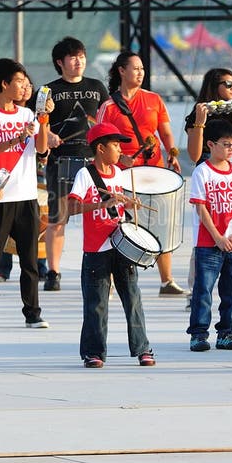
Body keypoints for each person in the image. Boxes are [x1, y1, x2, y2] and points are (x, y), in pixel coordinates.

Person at [67, 122, 155, 368]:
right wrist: (100, 205)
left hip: (122, 244)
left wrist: (129, 204)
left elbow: (118, 205)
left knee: (133, 298)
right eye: (115, 145)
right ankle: (93, 352)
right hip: (97, 248)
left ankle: (143, 348)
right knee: (96, 303)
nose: (120, 150)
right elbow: (71, 207)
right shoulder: (85, 175)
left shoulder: (118, 173)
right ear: (101, 148)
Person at [0, 58, 49, 331]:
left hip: (26, 196)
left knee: (30, 259)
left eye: (26, 82)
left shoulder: (27, 115)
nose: (24, 87)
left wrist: (43, 120)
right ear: (4, 84)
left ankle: (33, 313)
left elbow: (41, 149)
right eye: (19, 82)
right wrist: (16, 138)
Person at [97, 51, 184, 297]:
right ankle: (111, 280)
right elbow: (100, 142)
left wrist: (172, 153)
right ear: (121, 71)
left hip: (154, 169)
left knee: (160, 221)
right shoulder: (108, 107)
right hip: (124, 174)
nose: (140, 73)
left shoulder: (154, 99)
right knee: (119, 224)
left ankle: (167, 281)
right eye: (135, 68)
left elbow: (165, 132)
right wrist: (118, 159)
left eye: (142, 69)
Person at [184, 68, 232, 311]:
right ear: (213, 86)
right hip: (208, 182)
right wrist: (200, 122)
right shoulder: (198, 113)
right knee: (204, 238)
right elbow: (194, 154)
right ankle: (195, 292)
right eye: (227, 84)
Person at [38, 36, 109, 292]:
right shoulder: (47, 91)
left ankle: (105, 270)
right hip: (60, 161)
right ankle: (53, 272)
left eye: (82, 56)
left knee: (103, 214)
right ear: (60, 62)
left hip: (93, 161)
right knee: (57, 218)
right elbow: (35, 124)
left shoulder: (97, 87)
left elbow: (106, 121)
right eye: (73, 57)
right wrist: (49, 135)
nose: (79, 61)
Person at [187, 119, 232, 351]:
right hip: (208, 242)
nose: (231, 149)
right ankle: (198, 334)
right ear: (211, 145)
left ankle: (226, 332)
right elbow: (201, 207)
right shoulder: (202, 172)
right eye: (226, 144)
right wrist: (217, 237)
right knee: (203, 290)